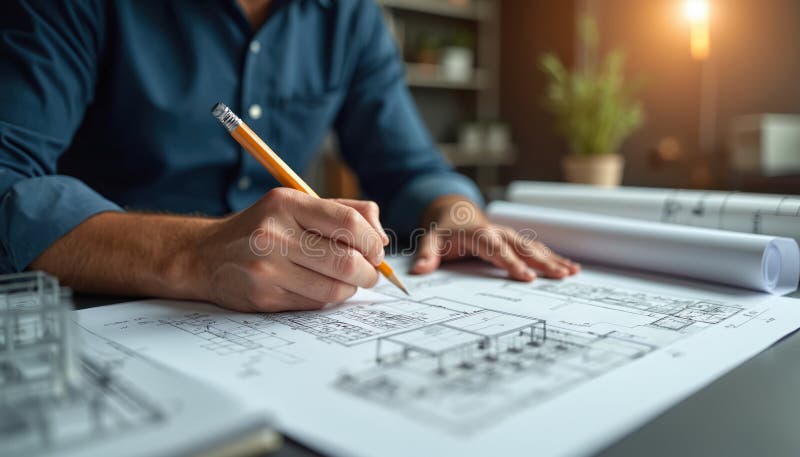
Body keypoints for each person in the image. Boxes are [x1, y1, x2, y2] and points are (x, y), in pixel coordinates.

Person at [0, 0, 579, 312]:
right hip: (97, 314)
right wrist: (195, 254)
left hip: (280, 322)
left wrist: (456, 215)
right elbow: (7, 178)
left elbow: (409, 166)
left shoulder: (351, 17)